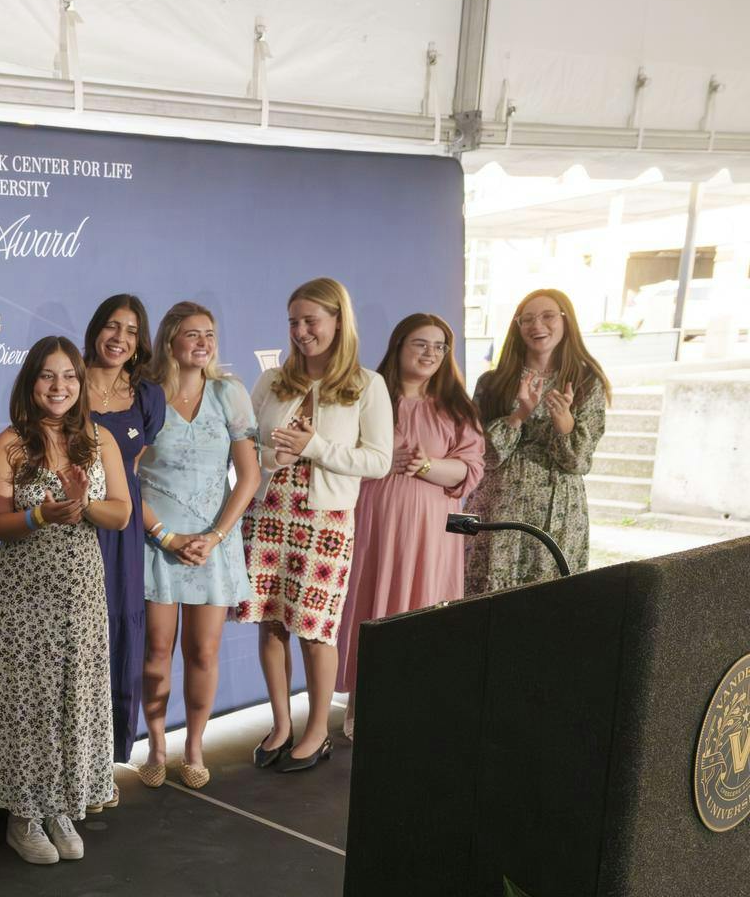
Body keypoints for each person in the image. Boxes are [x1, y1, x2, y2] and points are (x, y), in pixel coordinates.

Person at [0, 336, 131, 863]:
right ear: (31, 382)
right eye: (48, 375)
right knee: (28, 698)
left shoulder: (100, 440)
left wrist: (83, 504)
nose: (59, 386)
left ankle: (61, 804)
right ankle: (23, 815)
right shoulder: (10, 443)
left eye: (68, 376)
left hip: (82, 590)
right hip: (23, 590)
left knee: (73, 693)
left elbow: (122, 514)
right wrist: (41, 514)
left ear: (81, 384)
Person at [235, 277, 392, 774]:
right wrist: (274, 455)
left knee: (315, 629)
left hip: (324, 522)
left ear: (338, 321)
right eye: (294, 322)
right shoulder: (272, 382)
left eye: (311, 321)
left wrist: (314, 448)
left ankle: (317, 729)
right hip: (268, 513)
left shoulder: (368, 385)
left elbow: (379, 461)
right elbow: (246, 449)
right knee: (271, 621)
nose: (302, 332)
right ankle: (281, 723)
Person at [335, 314, 487, 735]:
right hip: (374, 522)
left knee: (424, 605)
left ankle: (418, 705)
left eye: (439, 347)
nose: (430, 354)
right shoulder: (366, 397)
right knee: (371, 601)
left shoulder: (454, 407)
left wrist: (426, 465)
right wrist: (384, 464)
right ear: (399, 345)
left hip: (431, 530)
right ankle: (360, 707)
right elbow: (341, 458)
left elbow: (470, 468)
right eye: (421, 344)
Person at [135, 302, 260, 789]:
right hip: (156, 542)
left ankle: (194, 747)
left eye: (209, 333)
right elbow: (127, 469)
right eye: (192, 333)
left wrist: (214, 536)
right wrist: (165, 534)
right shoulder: (147, 395)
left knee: (204, 652)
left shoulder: (229, 393)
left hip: (214, 543)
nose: (203, 342)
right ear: (170, 341)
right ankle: (156, 745)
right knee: (156, 652)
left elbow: (248, 476)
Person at [464, 289, 608, 594]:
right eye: (527, 319)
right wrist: (520, 414)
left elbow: (579, 462)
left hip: (557, 515)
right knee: (487, 604)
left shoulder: (586, 381)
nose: (536, 325)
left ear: (566, 321)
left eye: (547, 316)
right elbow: (482, 457)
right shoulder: (492, 382)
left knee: (549, 604)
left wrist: (565, 424)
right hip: (497, 509)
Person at [80, 294, 165, 797]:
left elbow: (135, 468)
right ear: (96, 330)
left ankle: (104, 766)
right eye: (112, 326)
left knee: (118, 639)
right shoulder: (68, 378)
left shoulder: (148, 396)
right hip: (75, 525)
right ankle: (73, 759)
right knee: (81, 639)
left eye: (131, 331)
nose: (119, 337)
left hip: (123, 528)